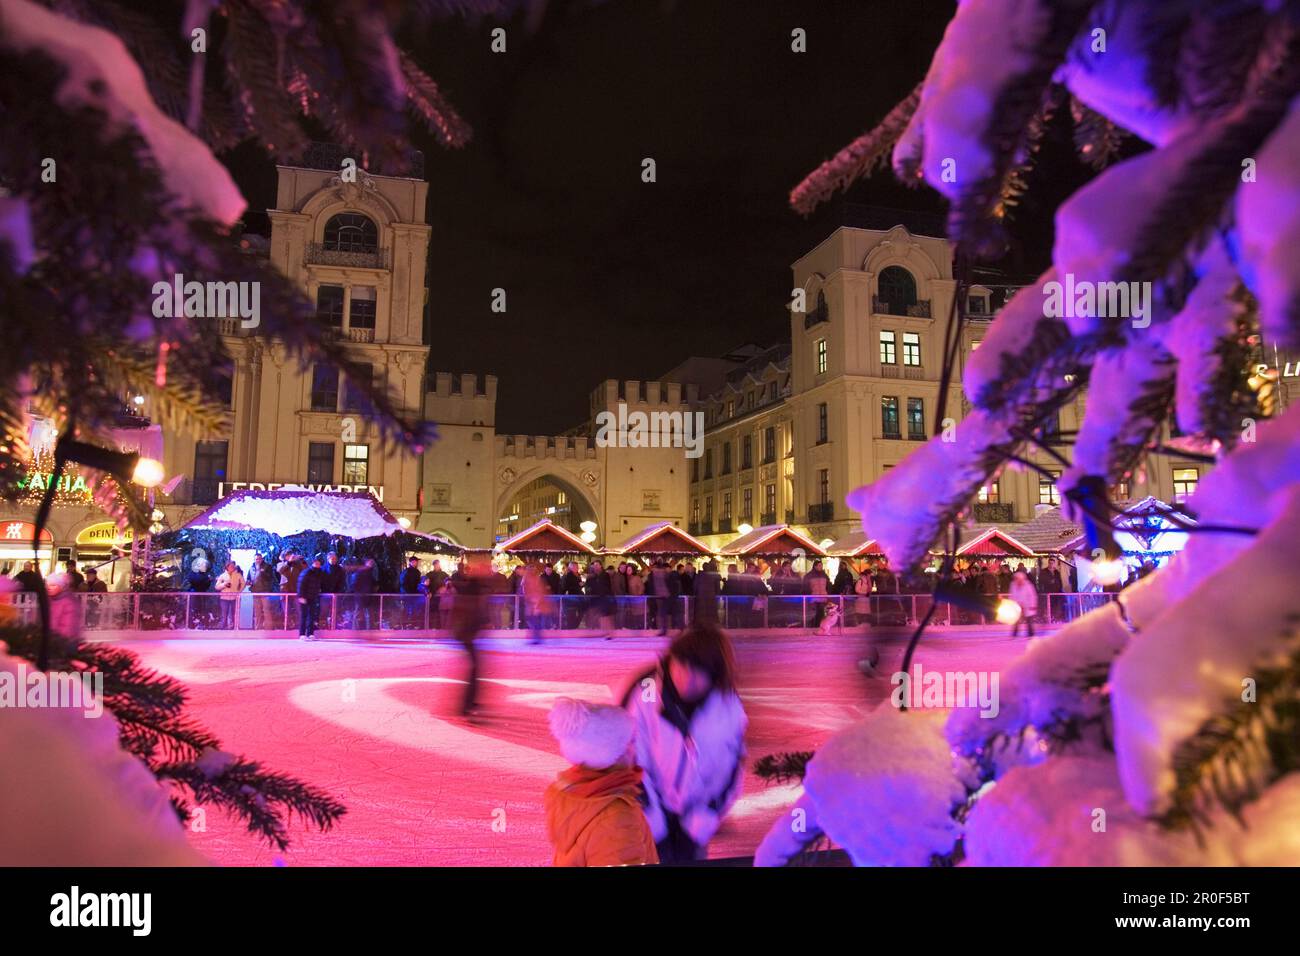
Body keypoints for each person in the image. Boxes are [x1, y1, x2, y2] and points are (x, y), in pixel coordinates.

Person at [622, 623, 747, 864]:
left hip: (694, 825)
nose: (686, 678)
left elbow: (730, 771)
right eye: (680, 664)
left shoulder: (728, 708)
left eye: (698, 671)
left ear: (714, 675)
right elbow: (631, 760)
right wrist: (653, 822)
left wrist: (701, 821)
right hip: (646, 825)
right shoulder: (644, 696)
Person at [544, 697, 658, 867]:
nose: (635, 749)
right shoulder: (617, 817)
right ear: (616, 752)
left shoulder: (571, 794)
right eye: (631, 741)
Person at [450, 557, 491, 718]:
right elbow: (471, 610)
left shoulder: (474, 586)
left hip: (466, 634)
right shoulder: (473, 586)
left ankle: (469, 702)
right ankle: (466, 705)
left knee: (475, 668)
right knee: (474, 669)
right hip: (465, 634)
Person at [297, 555, 325, 641]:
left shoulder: (319, 573)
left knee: (312, 616)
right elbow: (301, 584)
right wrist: (301, 596)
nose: (317, 564)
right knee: (304, 615)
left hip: (313, 597)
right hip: (305, 597)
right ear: (312, 563)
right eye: (315, 562)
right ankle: (302, 634)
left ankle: (310, 633)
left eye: (318, 563)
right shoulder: (307, 572)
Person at [249, 554, 278, 629]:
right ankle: (257, 627)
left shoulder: (267, 566)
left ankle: (268, 628)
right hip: (255, 592)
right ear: (254, 560)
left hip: (265, 592)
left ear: (262, 559)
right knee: (257, 611)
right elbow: (249, 578)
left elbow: (270, 578)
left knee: (266, 610)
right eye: (256, 559)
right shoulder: (251, 568)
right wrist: (249, 582)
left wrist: (262, 572)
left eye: (259, 559)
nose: (258, 560)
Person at [522, 561, 548, 644]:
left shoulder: (533, 578)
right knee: (532, 619)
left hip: (534, 601)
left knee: (533, 619)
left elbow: (537, 590)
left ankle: (537, 637)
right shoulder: (529, 578)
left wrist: (536, 601)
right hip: (532, 601)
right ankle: (536, 636)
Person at [214, 560, 245, 630]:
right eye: (231, 566)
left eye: (233, 566)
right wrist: (224, 584)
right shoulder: (222, 575)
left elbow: (243, 584)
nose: (232, 567)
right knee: (224, 615)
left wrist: (238, 591)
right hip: (224, 598)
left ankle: (234, 629)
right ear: (227, 567)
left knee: (234, 615)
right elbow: (216, 586)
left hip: (234, 598)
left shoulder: (238, 575)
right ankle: (223, 629)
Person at [346, 557, 376, 630]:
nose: (372, 564)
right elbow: (354, 584)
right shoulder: (360, 572)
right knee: (358, 613)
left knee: (368, 614)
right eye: (370, 563)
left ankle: (369, 629)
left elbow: (372, 584)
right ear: (366, 563)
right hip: (360, 596)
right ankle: (356, 630)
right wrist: (359, 593)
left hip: (368, 596)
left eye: (372, 563)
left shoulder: (371, 573)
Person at [1008, 570, 1038, 637]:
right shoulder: (1013, 585)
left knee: (1029, 621)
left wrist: (1033, 605)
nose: (1018, 581)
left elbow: (1032, 596)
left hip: (1027, 606)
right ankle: (1014, 634)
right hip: (1017, 606)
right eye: (1016, 579)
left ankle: (1031, 634)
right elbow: (1012, 595)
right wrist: (1012, 604)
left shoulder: (1028, 585)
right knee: (1016, 621)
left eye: (1019, 579)